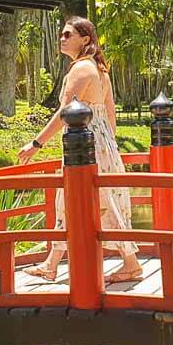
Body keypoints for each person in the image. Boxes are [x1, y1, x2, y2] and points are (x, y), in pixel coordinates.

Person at [17, 16, 143, 285]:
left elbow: (64, 112)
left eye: (68, 34)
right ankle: (51, 263)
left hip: (82, 142)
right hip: (100, 140)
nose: (62, 38)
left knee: (97, 200)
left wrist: (36, 143)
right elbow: (110, 114)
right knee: (77, 199)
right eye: (62, 34)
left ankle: (131, 263)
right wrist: (109, 144)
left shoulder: (80, 69)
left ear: (85, 39)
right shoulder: (100, 69)